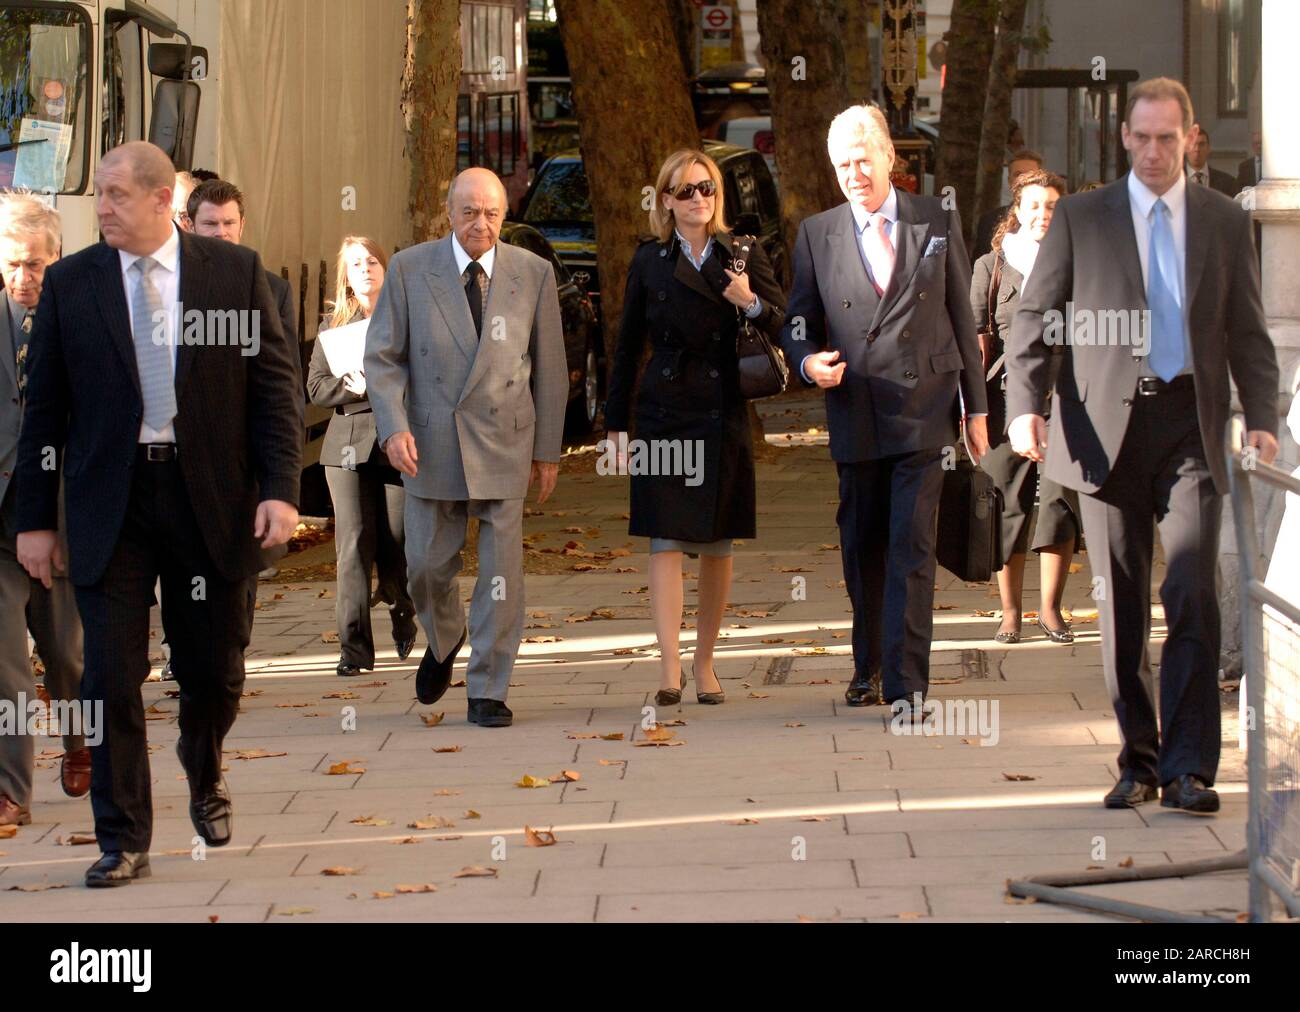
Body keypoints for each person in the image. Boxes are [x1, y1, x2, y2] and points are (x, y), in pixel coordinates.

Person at [15, 141, 303, 885]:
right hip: (111, 504)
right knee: (109, 675)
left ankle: (202, 761)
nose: (101, 208)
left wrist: (279, 489)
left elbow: (274, 391)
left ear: (155, 200)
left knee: (213, 670)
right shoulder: (73, 285)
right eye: (100, 196)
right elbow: (43, 411)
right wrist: (34, 521)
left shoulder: (232, 274)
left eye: (113, 194)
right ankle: (124, 837)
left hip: (208, 497)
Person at [1006, 78, 1279, 814]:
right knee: (1120, 599)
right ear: (1124, 137)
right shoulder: (1085, 218)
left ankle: (1192, 767)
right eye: (1143, 137)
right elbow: (1034, 316)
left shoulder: (1222, 221)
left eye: (1168, 138)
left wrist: (1262, 416)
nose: (1155, 151)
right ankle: (1140, 759)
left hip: (1191, 421)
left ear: (1190, 139)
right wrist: (1023, 407)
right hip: (1104, 431)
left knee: (1189, 588)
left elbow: (1248, 329)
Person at [778, 104, 989, 715]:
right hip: (856, 409)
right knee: (861, 546)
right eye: (842, 163)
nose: (853, 173)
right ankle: (867, 662)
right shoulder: (817, 233)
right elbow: (799, 318)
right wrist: (806, 361)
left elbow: (961, 316)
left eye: (862, 159)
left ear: (889, 158)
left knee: (911, 545)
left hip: (924, 411)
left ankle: (906, 683)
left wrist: (975, 409)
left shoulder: (935, 220)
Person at [365, 167, 567, 728]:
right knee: (426, 567)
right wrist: (393, 426)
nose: (481, 224)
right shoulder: (409, 269)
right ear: (449, 213)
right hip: (430, 440)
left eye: (493, 213)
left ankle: (488, 687)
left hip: (506, 437)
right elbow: (382, 358)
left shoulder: (532, 272)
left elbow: (550, 367)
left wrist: (547, 449)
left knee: (502, 573)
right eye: (470, 212)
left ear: (505, 216)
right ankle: (444, 637)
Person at [605, 149, 786, 706]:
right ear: (665, 200)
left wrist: (749, 301)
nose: (697, 199)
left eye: (706, 188)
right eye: (684, 191)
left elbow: (785, 318)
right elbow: (628, 344)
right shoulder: (649, 261)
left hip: (722, 407)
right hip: (664, 411)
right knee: (664, 538)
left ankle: (705, 663)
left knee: (716, 540)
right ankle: (668, 668)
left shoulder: (742, 253)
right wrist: (617, 426)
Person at [0, 193, 87, 827]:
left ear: (56, 259)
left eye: (34, 264)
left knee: (66, 657)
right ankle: (12, 791)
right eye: (12, 265)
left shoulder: (82, 316)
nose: (24, 278)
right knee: (5, 663)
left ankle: (82, 742)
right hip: (1, 518)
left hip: (61, 518)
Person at [971, 170, 1080, 645]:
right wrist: (970, 409)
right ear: (1017, 209)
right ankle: (1010, 612)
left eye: (1053, 206)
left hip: (1067, 399)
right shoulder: (991, 267)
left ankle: (1050, 610)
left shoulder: (1082, 264)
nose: (1043, 214)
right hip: (1003, 400)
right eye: (1034, 205)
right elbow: (975, 342)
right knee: (1006, 504)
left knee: (1059, 504)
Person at [308, 237, 417, 676]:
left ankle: (401, 604)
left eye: (373, 261)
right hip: (346, 445)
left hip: (397, 442)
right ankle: (354, 651)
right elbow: (314, 388)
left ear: (385, 270)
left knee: (397, 541)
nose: (366, 269)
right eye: (357, 264)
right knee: (353, 547)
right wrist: (350, 386)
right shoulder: (332, 328)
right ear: (347, 277)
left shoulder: (407, 320)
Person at [187, 179, 298, 345]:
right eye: (210, 224)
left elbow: (288, 367)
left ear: (241, 225)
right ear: (190, 226)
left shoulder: (276, 291)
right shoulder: (174, 285)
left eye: (229, 223)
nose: (221, 232)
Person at [972, 148, 1045, 261]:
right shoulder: (989, 221)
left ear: (1042, 179)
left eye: (1030, 174)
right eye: (1018, 174)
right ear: (1009, 180)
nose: (1024, 179)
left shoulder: (1054, 219)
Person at [1185, 127, 1237, 196]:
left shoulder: (1227, 182)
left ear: (1209, 148)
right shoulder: (1172, 182)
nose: (1197, 149)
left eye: (1201, 144)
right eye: (1193, 144)